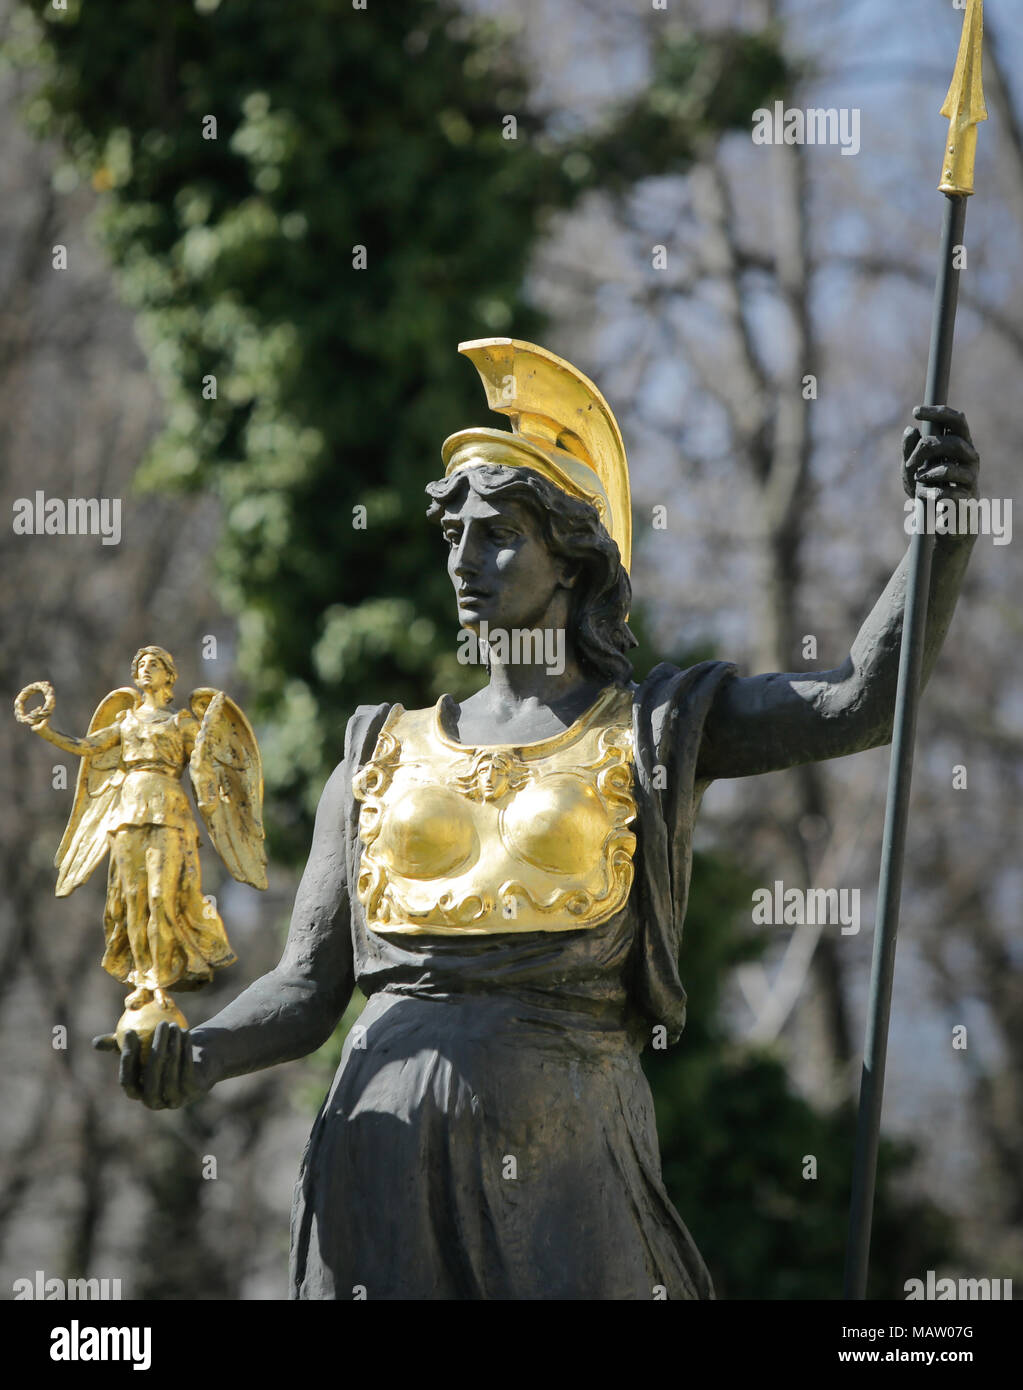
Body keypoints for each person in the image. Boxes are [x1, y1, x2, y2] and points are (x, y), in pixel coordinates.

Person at [104, 340, 979, 1300]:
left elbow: (860, 699)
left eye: (498, 535)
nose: (465, 563)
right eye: (454, 537)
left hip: (570, 1160)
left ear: (571, 557)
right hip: (379, 1158)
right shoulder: (378, 751)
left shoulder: (655, 727)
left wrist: (937, 532)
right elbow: (309, 988)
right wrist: (199, 1053)